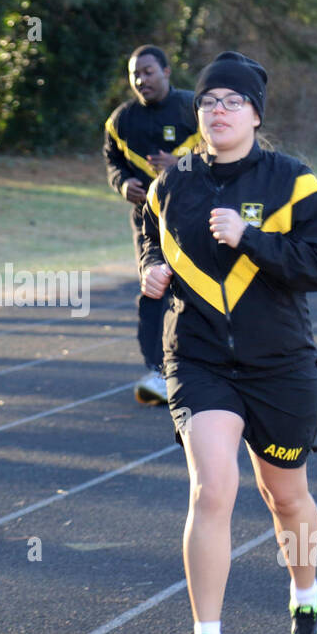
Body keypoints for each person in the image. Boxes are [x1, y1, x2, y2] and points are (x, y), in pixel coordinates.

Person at [139, 51, 317, 634]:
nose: (217, 111)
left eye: (231, 101)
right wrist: (150, 267)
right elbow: (151, 232)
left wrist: (249, 238)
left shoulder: (292, 180)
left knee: (285, 496)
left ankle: (305, 599)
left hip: (279, 362)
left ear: (256, 114)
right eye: (207, 102)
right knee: (212, 488)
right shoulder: (171, 183)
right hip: (199, 359)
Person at [104, 45, 202, 405]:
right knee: (153, 289)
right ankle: (158, 371)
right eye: (134, 74)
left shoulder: (195, 109)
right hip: (148, 221)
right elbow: (113, 163)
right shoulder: (120, 121)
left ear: (166, 70)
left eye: (147, 71)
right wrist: (122, 184)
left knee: (197, 287)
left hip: (194, 215)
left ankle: (205, 366)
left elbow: (223, 154)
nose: (140, 80)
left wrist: (181, 165)